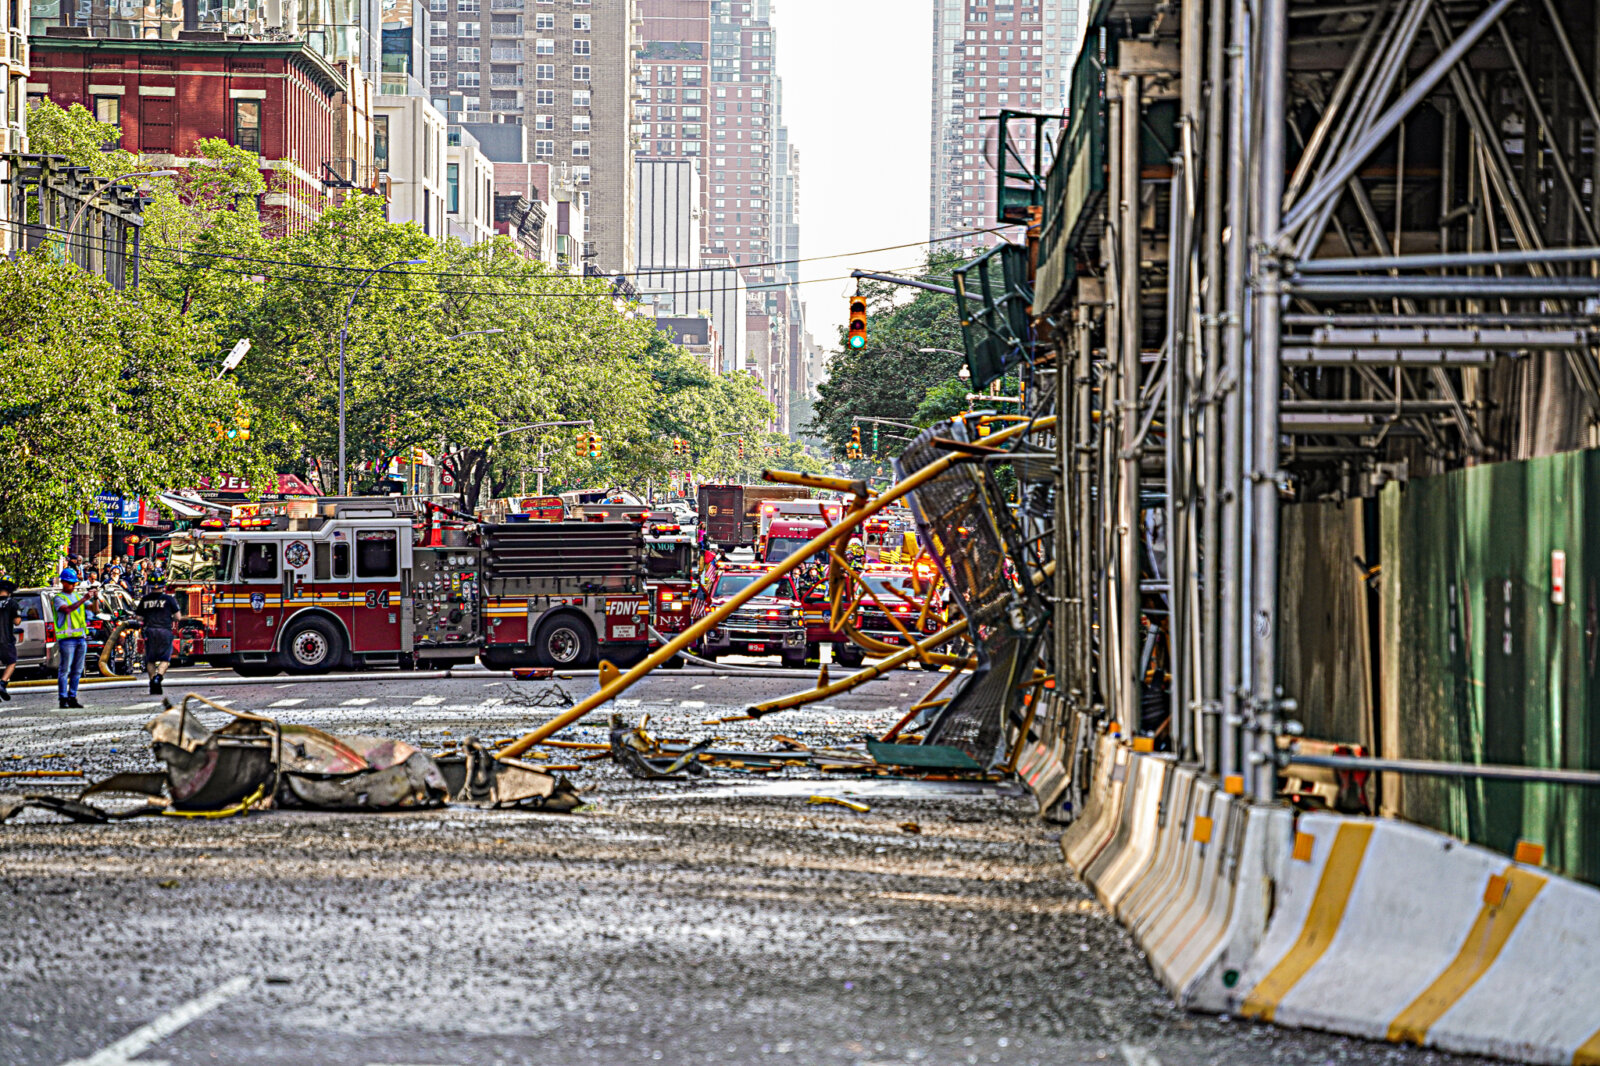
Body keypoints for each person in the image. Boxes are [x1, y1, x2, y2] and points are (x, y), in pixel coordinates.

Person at [52, 569, 100, 709]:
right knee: (65, 669)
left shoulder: (77, 596)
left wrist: (95, 598)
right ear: (63, 582)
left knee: (77, 670)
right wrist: (84, 598)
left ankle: (72, 696)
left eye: (74, 583)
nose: (73, 585)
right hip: (67, 639)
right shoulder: (59, 598)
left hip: (80, 638)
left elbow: (94, 610)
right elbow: (67, 610)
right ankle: (63, 698)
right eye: (70, 583)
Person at [133, 576, 183, 695]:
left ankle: (152, 682)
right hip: (165, 631)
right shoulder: (169, 599)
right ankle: (158, 678)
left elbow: (138, 617)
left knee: (150, 659)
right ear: (163, 585)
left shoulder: (145, 599)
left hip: (149, 631)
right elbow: (178, 617)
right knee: (165, 659)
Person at [0, 579, 19, 702]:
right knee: (11, 662)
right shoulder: (12, 603)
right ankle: (2, 683)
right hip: (6, 639)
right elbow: (17, 621)